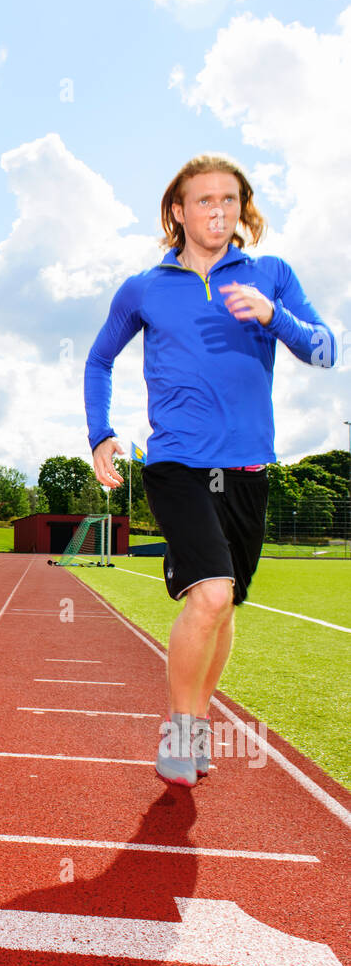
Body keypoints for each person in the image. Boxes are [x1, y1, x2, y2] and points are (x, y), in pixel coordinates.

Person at [84, 154, 336, 786]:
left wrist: (275, 317)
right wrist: (102, 434)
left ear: (241, 207)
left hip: (248, 469)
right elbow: (98, 360)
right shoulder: (144, 287)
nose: (218, 211)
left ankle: (196, 725)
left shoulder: (271, 274)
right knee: (211, 593)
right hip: (176, 464)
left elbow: (327, 349)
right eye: (204, 201)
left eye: (229, 200)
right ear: (178, 210)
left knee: (223, 609)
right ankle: (179, 729)